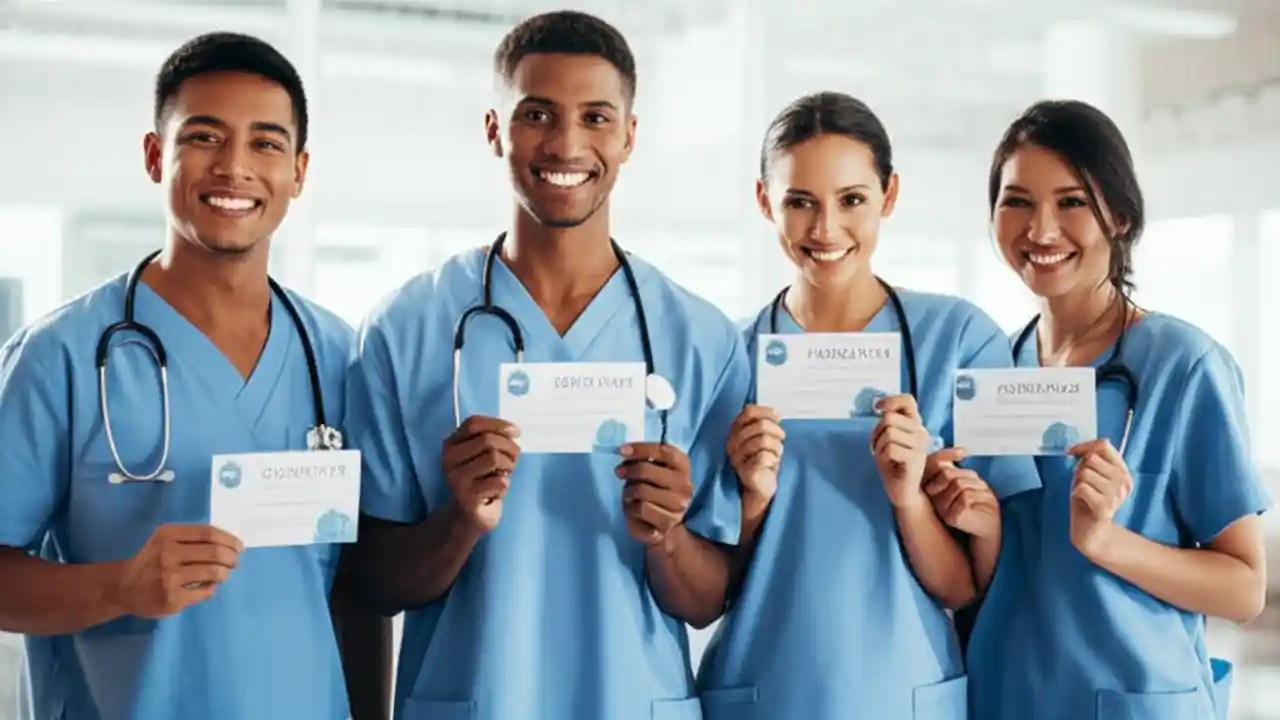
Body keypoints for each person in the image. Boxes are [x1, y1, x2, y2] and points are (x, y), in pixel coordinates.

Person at [346, 10, 748, 720]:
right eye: (537, 113)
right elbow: (373, 584)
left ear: (629, 136)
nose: (567, 142)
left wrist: (668, 535)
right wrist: (460, 520)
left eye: (596, 117)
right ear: (495, 129)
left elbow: (708, 597)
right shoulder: (405, 329)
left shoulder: (702, 338)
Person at [0, 32, 387, 720]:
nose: (234, 167)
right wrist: (118, 588)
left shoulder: (340, 357)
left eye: (265, 143)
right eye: (205, 137)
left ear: (298, 172)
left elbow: (357, 589)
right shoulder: (59, 355)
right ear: (156, 155)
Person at [694, 92, 1040, 719]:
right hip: (761, 687)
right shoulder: (728, 357)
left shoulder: (959, 340)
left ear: (890, 195)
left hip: (902, 689)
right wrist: (752, 499)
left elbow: (967, 584)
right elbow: (705, 591)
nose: (826, 229)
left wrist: (909, 496)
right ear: (764, 202)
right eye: (800, 202)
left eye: (852, 199)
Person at [963, 99, 1270, 720]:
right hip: (1005, 692)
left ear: (1120, 216)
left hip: (1132, 697)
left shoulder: (1182, 364)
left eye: (1072, 202)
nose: (1040, 230)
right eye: (1017, 201)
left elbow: (1244, 590)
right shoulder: (993, 370)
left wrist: (1107, 541)